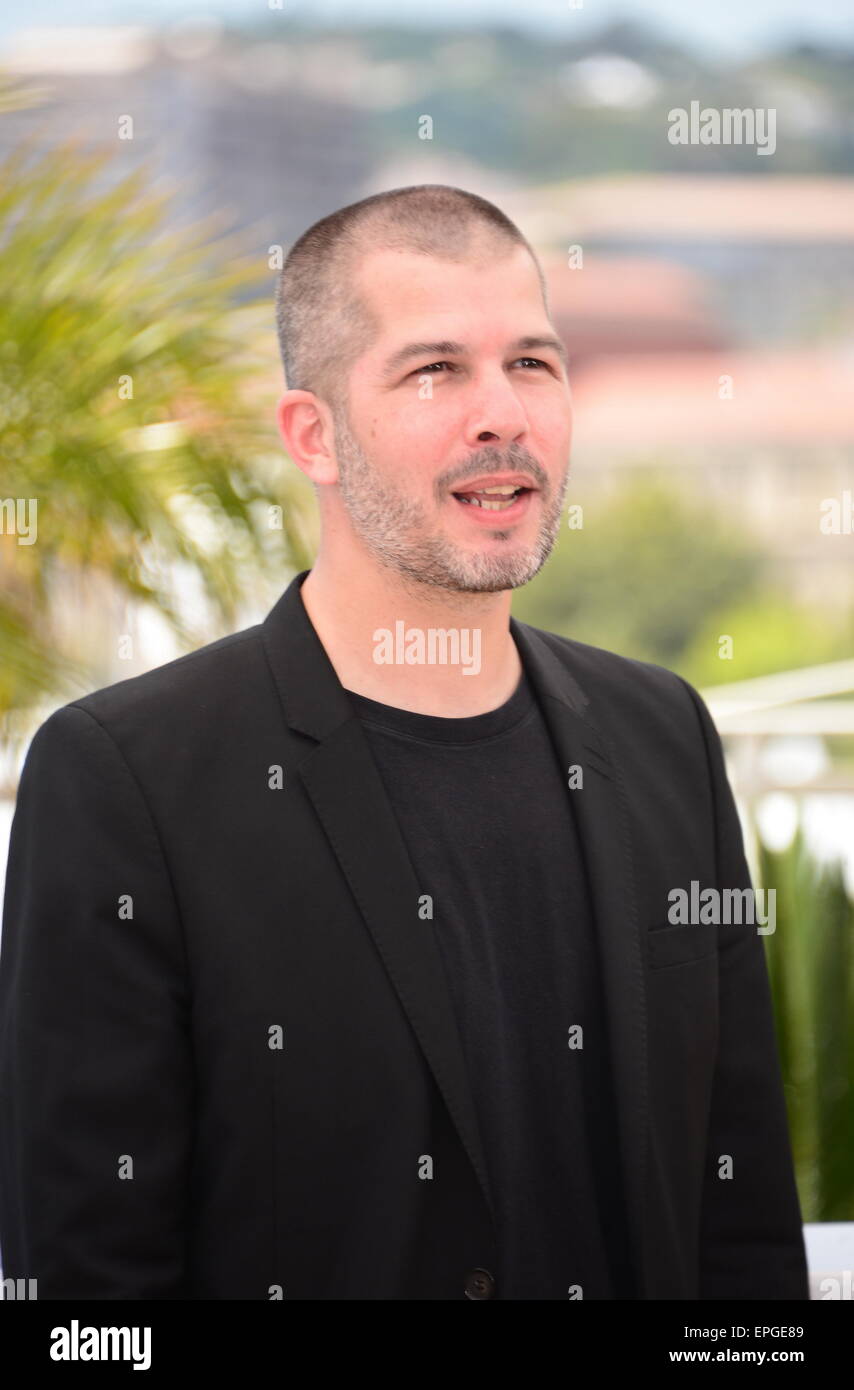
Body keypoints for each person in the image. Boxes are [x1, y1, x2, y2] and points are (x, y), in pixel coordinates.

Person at [0, 184, 808, 1300]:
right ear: (312, 435)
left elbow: (741, 1221)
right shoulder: (126, 777)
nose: (502, 415)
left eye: (532, 362)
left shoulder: (661, 732)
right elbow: (89, 1283)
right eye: (434, 370)